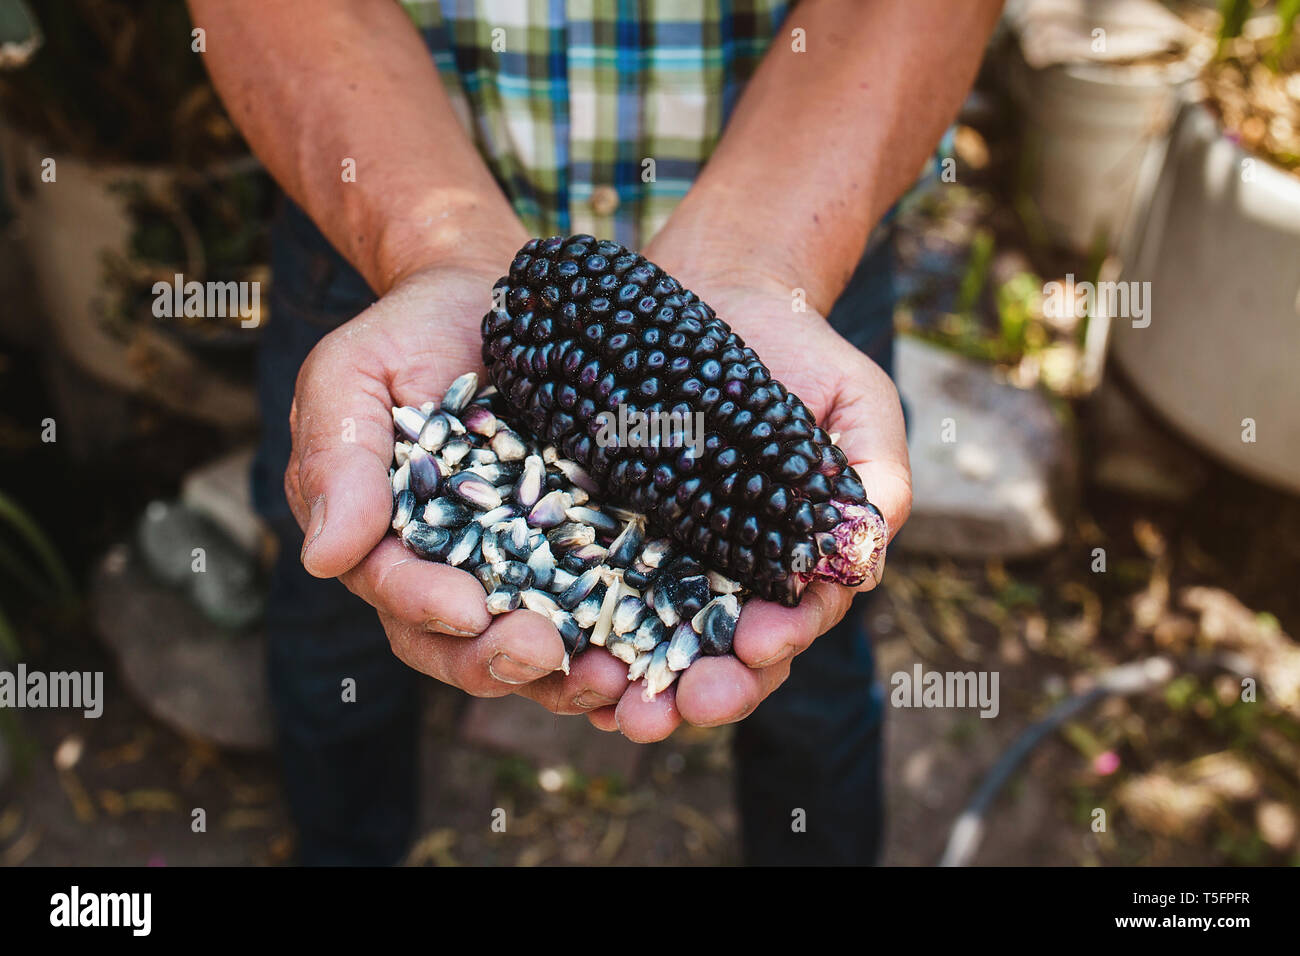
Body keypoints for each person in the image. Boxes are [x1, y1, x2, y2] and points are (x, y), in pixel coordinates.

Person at [190, 0, 1002, 865]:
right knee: (330, 617)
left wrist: (760, 257)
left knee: (811, 664)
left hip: (804, 230)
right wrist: (433, 244)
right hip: (371, 227)